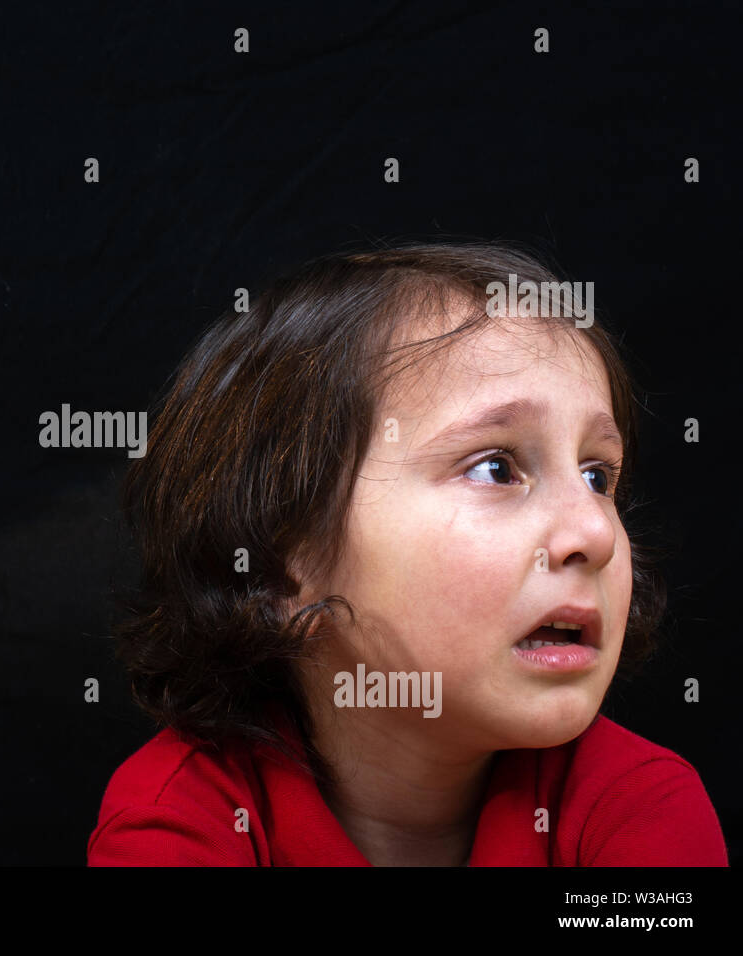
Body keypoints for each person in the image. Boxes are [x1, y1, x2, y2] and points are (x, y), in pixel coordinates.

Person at [87, 241, 728, 866]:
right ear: (282, 563)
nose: (596, 533)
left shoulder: (638, 800)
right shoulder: (178, 818)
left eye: (598, 476)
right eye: (497, 468)